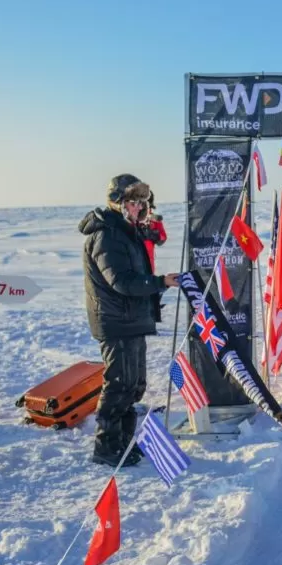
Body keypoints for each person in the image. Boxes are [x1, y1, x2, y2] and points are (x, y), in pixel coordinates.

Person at [78, 174, 180, 467]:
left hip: (132, 317)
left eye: (141, 202)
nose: (138, 207)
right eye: (132, 202)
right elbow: (121, 281)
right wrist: (160, 282)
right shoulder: (106, 235)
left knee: (134, 385)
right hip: (115, 320)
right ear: (117, 203)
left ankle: (123, 442)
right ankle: (106, 446)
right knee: (119, 384)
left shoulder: (127, 231)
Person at [139, 191, 167, 273]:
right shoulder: (131, 217)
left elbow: (163, 238)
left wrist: (154, 235)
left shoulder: (154, 219)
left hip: (149, 261)